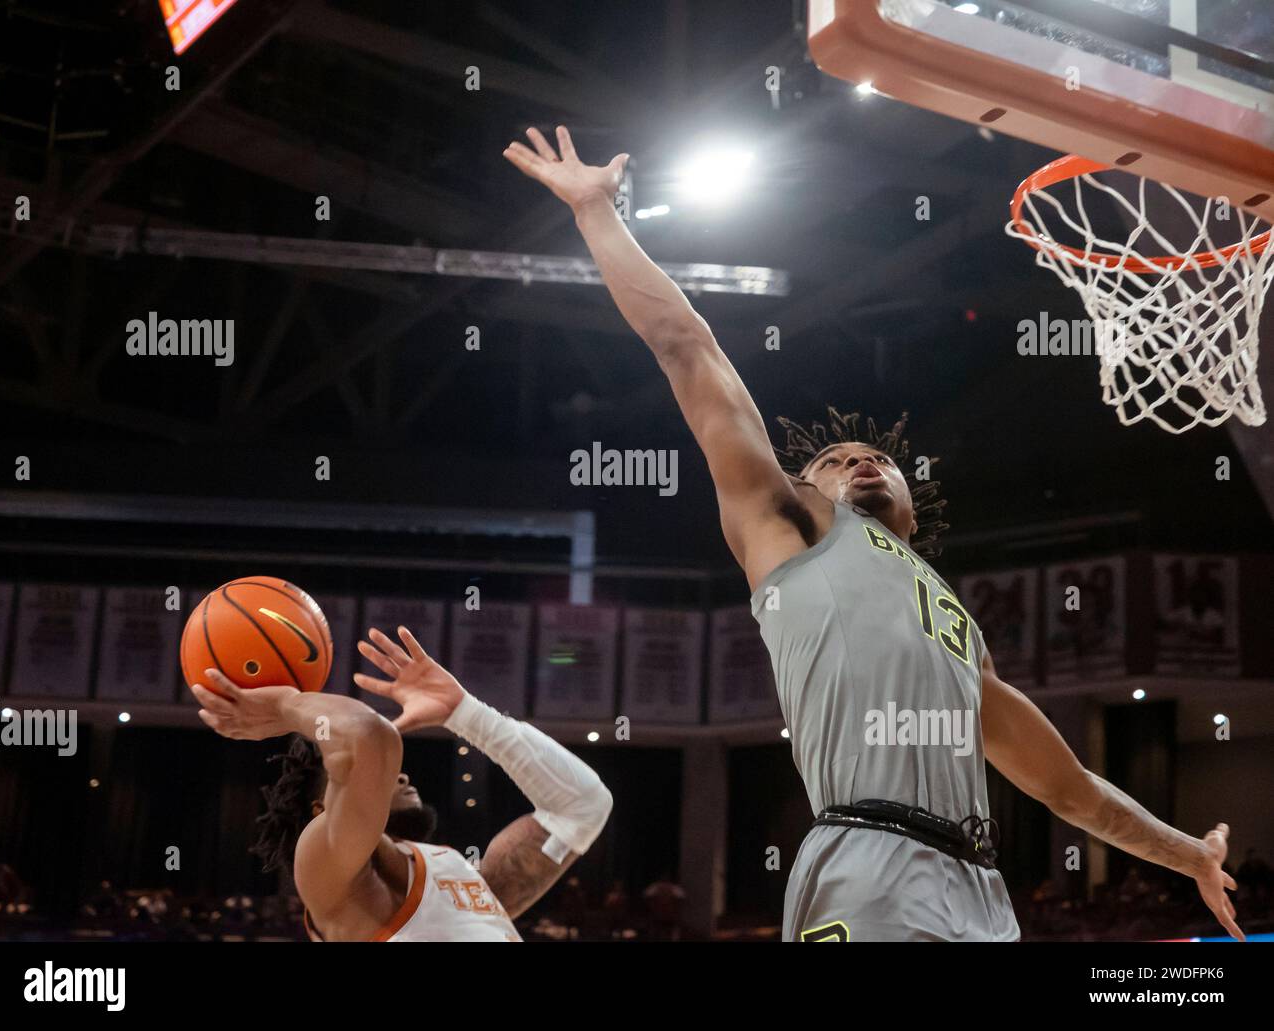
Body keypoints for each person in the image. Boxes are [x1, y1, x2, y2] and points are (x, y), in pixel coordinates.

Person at [503, 125, 1243, 942]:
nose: (857, 461)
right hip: (866, 855)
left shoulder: (958, 627)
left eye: (875, 457)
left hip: (981, 889)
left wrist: (1188, 856)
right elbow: (688, 351)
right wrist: (599, 217)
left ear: (912, 506)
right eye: (833, 457)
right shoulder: (789, 523)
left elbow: (1069, 789)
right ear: (802, 485)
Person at [191, 625, 612, 942]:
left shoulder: (455, 875)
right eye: (386, 774)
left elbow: (580, 807)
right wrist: (286, 704)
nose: (402, 774)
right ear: (322, 809)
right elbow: (368, 736)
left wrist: (468, 714)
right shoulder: (330, 867)